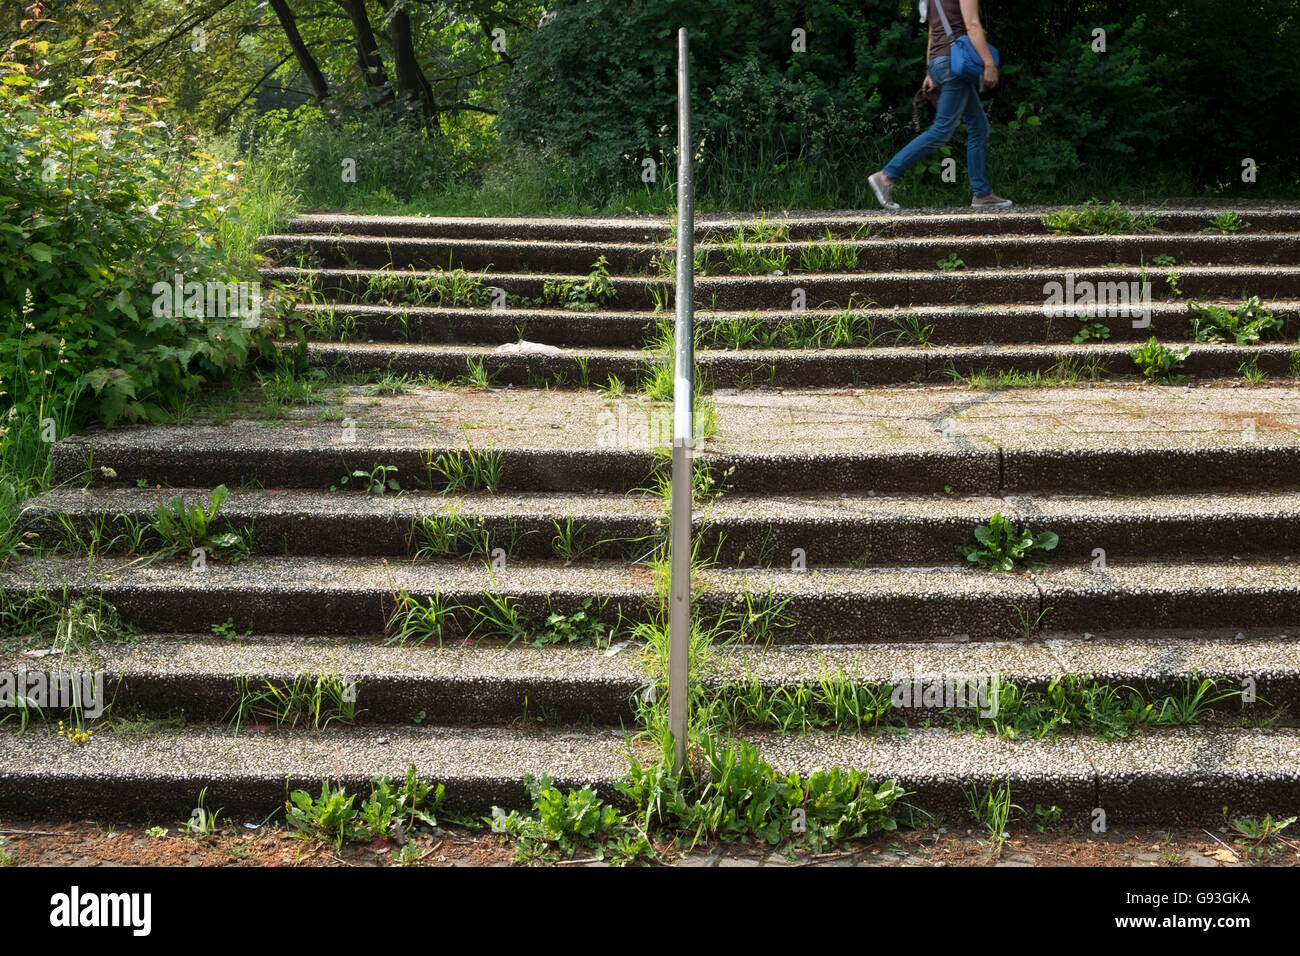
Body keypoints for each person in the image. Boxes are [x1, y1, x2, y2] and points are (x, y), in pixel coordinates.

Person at [869, 0, 1012, 211]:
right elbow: (972, 24)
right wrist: (989, 63)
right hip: (954, 63)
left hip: (939, 62)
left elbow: (931, 33)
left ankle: (982, 193)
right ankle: (887, 175)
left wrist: (930, 71)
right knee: (941, 130)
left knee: (978, 126)